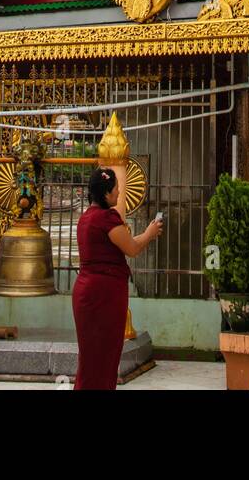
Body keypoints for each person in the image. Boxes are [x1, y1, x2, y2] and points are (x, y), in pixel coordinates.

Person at [72, 167, 163, 390]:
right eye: (115, 190)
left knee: (92, 358)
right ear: (105, 194)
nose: (119, 193)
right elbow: (131, 248)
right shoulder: (106, 218)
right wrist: (150, 234)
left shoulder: (86, 218)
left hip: (87, 292)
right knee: (104, 356)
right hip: (103, 294)